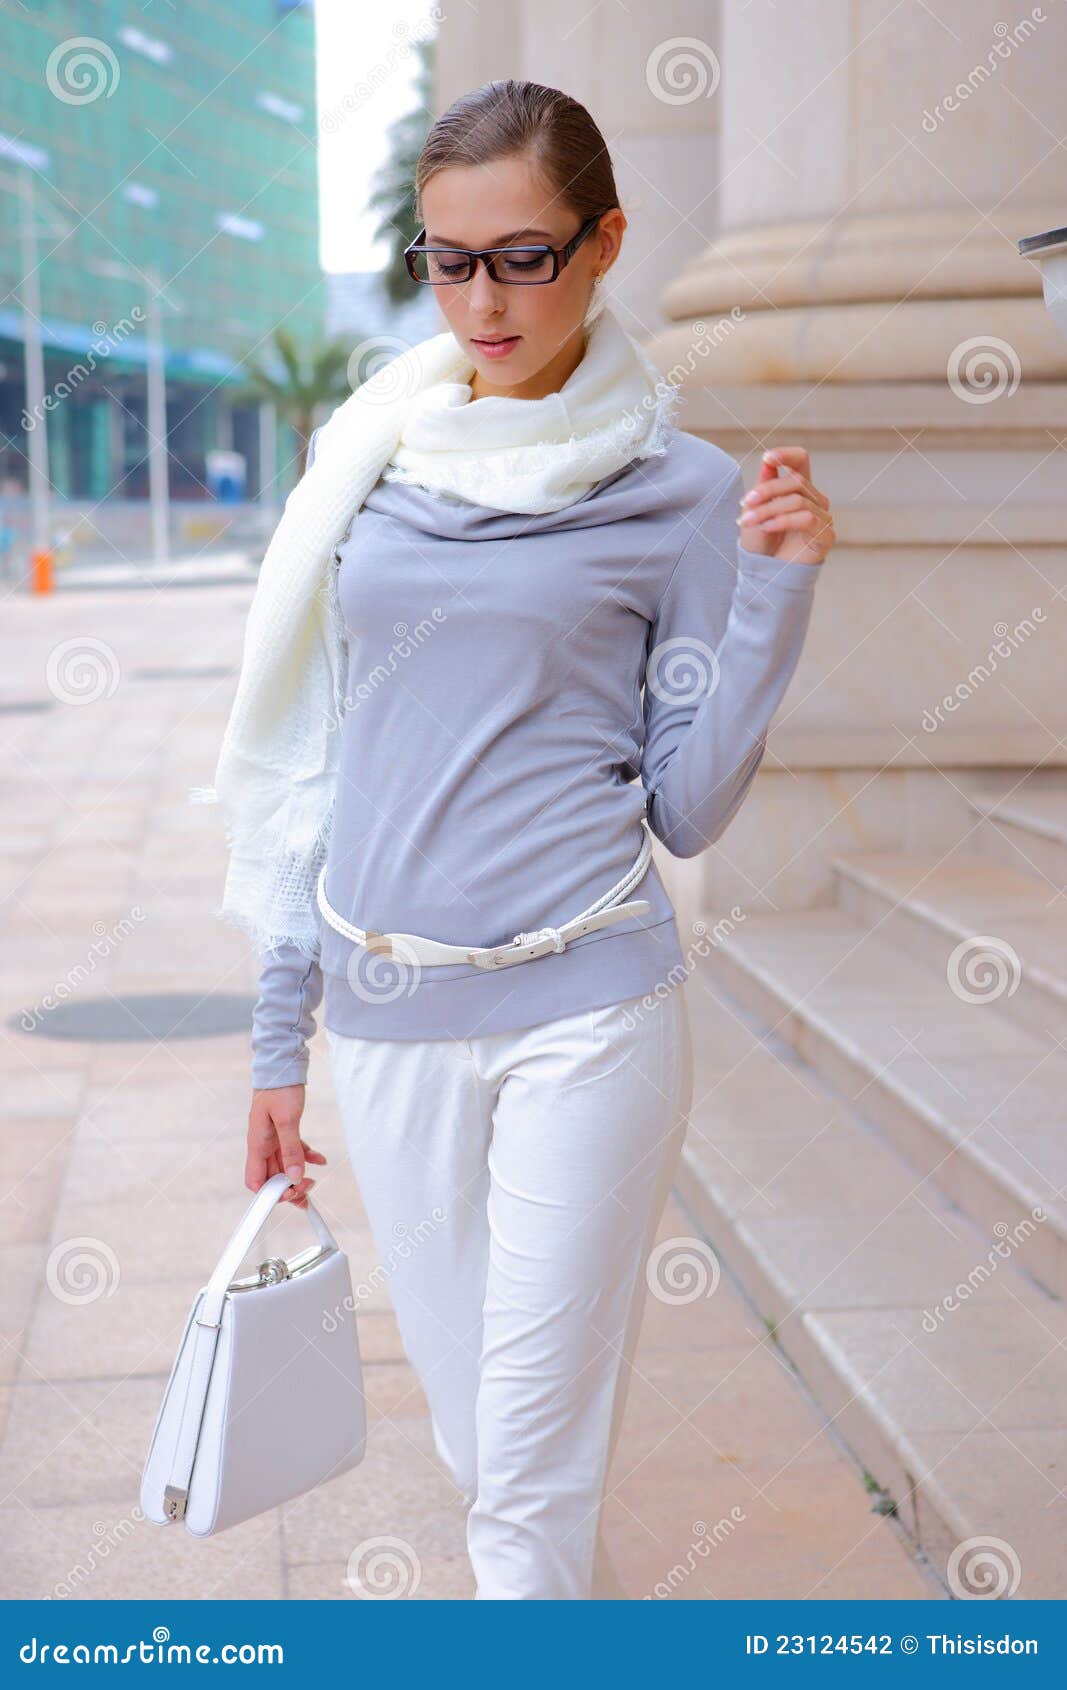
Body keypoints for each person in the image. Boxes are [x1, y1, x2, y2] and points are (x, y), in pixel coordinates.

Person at [236, 79, 835, 1600]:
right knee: (485, 1457)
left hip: (589, 1011)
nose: (484, 303)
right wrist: (278, 1035)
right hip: (388, 1010)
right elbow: (317, 766)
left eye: (523, 257)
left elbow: (687, 804)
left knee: (525, 1484)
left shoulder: (685, 493)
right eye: (450, 262)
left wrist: (772, 596)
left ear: (606, 241)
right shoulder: (372, 463)